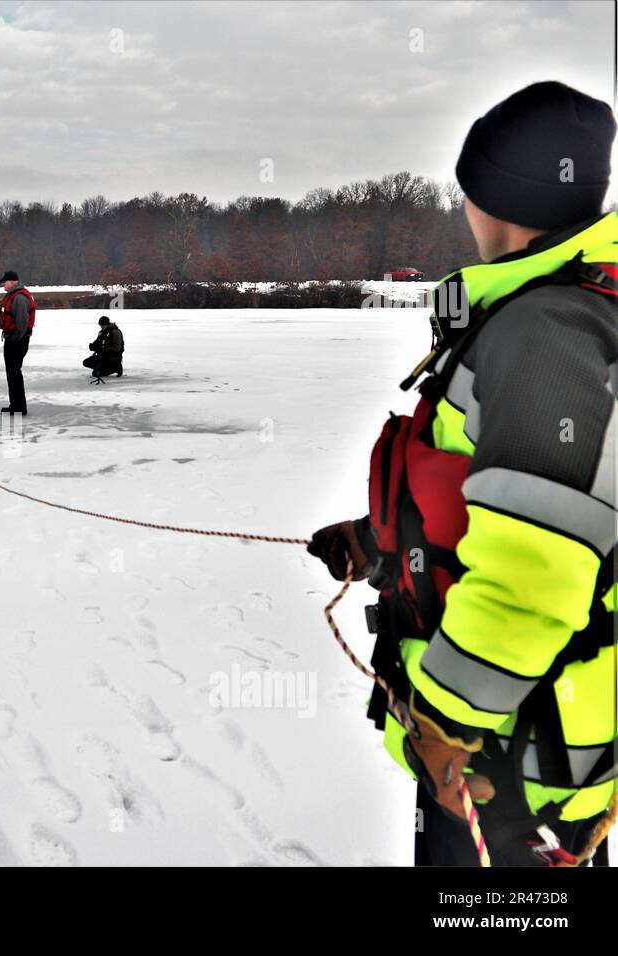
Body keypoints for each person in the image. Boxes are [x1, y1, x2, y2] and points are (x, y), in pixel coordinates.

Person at [308, 82, 617, 867]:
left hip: (501, 771)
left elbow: (532, 575)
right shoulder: (550, 315)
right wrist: (376, 544)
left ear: (496, 201)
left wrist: (444, 724)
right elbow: (502, 502)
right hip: (510, 751)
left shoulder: (548, 336)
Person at [0, 270, 34, 415]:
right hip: (13, 339)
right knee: (12, 373)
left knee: (14, 373)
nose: (2, 285)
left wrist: (16, 339)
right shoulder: (13, 296)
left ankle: (19, 407)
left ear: (12, 282)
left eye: (4, 282)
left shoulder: (19, 298)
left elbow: (22, 322)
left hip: (17, 341)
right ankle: (15, 405)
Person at [83, 315, 124, 381]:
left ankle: (116, 368)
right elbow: (97, 342)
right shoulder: (101, 332)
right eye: (100, 325)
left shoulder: (115, 332)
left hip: (113, 358)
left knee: (96, 374)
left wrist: (103, 350)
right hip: (103, 356)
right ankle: (102, 367)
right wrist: (93, 346)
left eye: (102, 325)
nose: (101, 327)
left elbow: (117, 348)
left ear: (107, 324)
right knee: (86, 362)